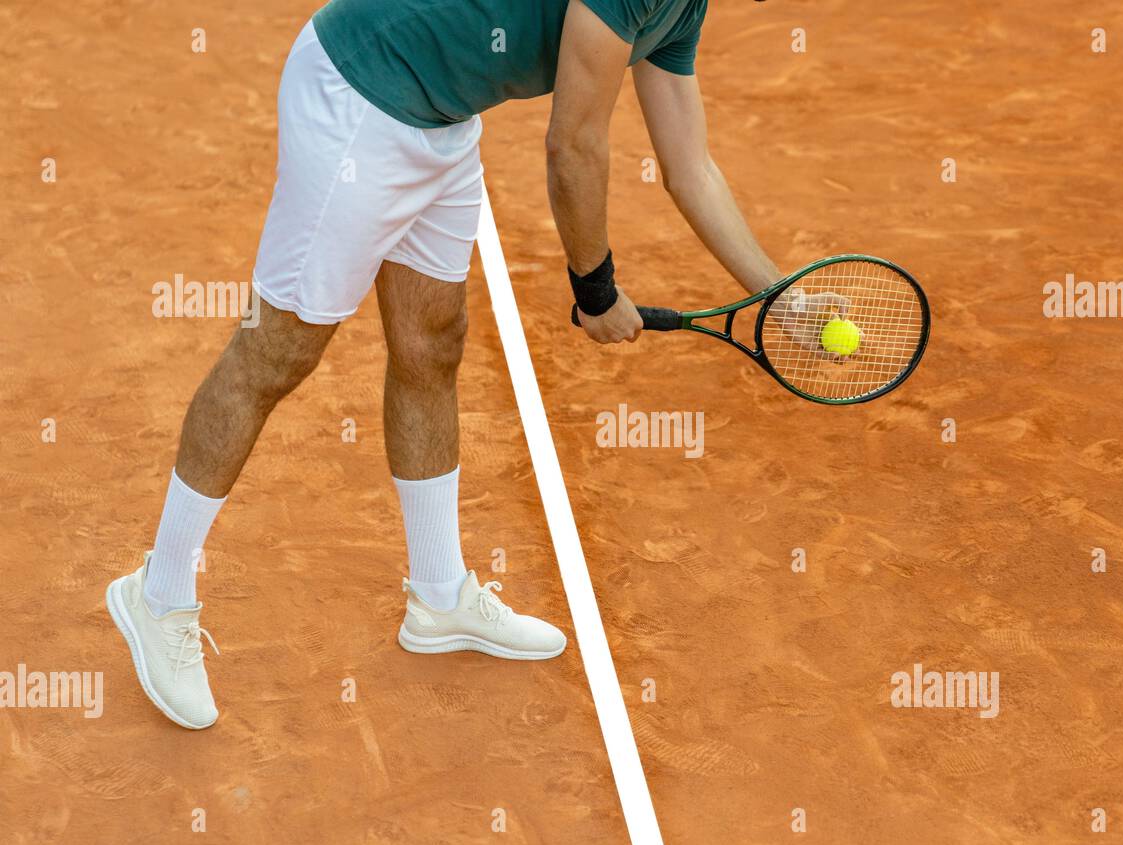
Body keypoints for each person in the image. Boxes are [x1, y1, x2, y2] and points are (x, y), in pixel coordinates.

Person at [106, 0, 791, 730]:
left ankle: (438, 597)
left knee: (433, 343)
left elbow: (690, 167)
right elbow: (574, 145)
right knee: (278, 353)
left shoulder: (682, 8)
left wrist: (782, 299)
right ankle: (159, 594)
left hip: (442, 122)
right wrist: (596, 289)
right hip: (360, 100)